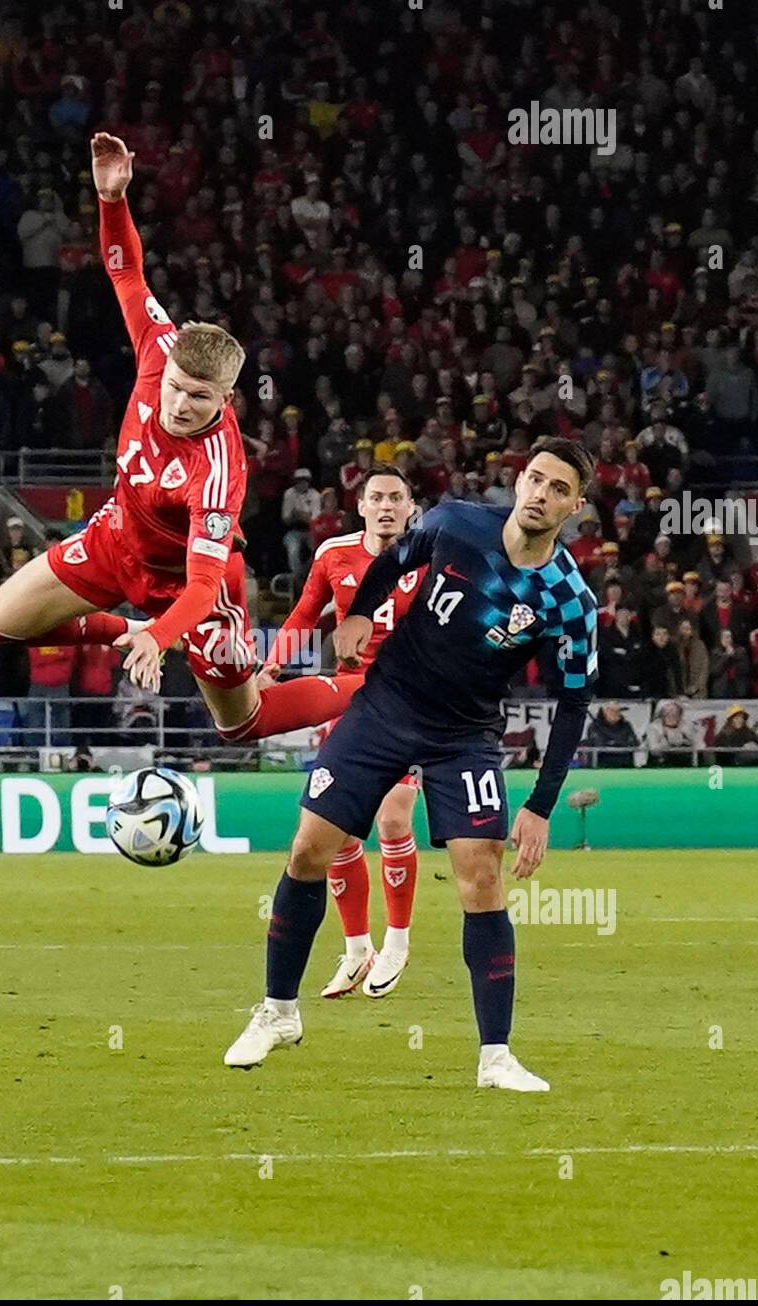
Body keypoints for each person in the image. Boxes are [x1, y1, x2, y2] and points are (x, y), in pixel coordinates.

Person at [224, 438, 599, 1092]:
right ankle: (279, 1011)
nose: (541, 494)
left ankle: (496, 1058)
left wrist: (540, 805)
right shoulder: (454, 521)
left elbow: (573, 703)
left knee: (481, 879)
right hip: (386, 706)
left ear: (576, 506)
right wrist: (363, 613)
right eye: (535, 478)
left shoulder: (570, 601)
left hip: (467, 735)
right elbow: (397, 557)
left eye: (558, 488)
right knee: (310, 850)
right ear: (518, 479)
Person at [0, 132, 359, 744]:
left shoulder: (220, 469)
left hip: (192, 589)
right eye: (176, 387)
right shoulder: (159, 348)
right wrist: (111, 199)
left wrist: (160, 633)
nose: (179, 404)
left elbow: (203, 586)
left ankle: (376, 687)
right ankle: (120, 627)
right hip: (114, 543)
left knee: (243, 723)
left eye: (200, 397)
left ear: (226, 399)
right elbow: (126, 270)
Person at [262, 467, 426, 999]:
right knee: (337, 837)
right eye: (375, 497)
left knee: (395, 815)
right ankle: (358, 950)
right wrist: (272, 666)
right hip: (349, 700)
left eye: (395, 498)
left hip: (410, 702)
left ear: (409, 506)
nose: (385, 506)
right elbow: (305, 615)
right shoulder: (334, 554)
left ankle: (398, 942)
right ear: (361, 506)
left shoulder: (432, 556)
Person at [645, 698, 700, 767]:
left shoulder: (687, 725)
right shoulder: (654, 727)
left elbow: (696, 745)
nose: (672, 715)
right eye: (668, 713)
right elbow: (653, 750)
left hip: (685, 765)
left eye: (675, 712)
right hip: (662, 765)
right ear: (661, 714)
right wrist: (668, 746)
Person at [585, 700, 640, 767]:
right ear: (605, 712)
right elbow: (598, 744)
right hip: (601, 763)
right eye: (613, 711)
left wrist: (617, 743)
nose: (618, 714)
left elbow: (634, 743)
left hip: (625, 762)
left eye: (619, 711)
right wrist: (618, 743)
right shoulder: (594, 726)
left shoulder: (626, 725)